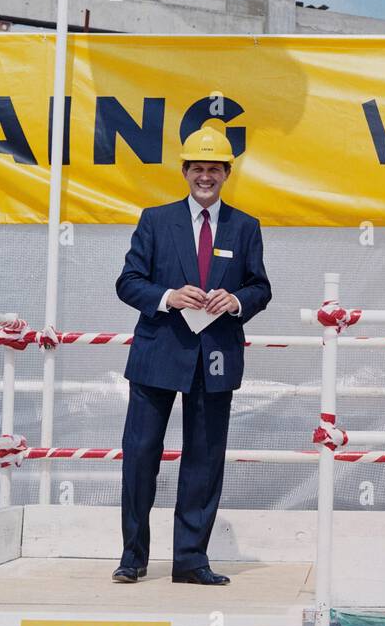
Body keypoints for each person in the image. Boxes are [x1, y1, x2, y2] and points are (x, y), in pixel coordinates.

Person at [113, 123, 271, 585]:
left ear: (227, 173)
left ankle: (191, 560)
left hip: (215, 356)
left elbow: (260, 287)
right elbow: (128, 282)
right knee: (141, 453)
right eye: (198, 168)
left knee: (204, 458)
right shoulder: (155, 221)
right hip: (159, 353)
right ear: (184, 171)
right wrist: (167, 296)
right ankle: (133, 557)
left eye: (214, 169)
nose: (206, 177)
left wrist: (236, 301)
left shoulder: (245, 227)